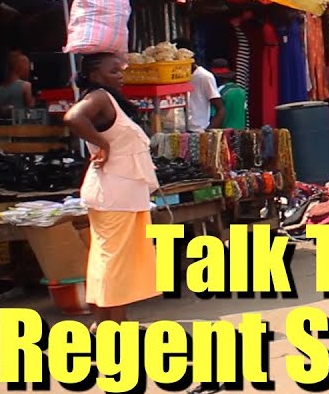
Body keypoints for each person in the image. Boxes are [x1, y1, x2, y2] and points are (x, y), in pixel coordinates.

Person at [62, 53, 160, 330]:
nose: (120, 75)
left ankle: (110, 322)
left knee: (113, 258)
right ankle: (112, 326)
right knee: (113, 260)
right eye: (113, 71)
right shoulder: (100, 97)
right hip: (114, 192)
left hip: (123, 192)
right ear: (95, 75)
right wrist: (102, 145)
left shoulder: (110, 100)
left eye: (120, 70)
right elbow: (73, 117)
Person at [175, 39, 223, 132]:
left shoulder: (204, 76)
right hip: (178, 131)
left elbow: (220, 110)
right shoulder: (175, 77)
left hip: (198, 131)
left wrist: (206, 133)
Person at [0, 50, 36, 118]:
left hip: (3, 123)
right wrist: (33, 101)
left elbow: (0, 110)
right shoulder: (26, 85)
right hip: (21, 123)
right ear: (20, 67)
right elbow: (30, 109)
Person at [209, 58, 247, 130]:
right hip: (241, 132)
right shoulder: (241, 91)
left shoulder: (218, 93)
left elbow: (214, 116)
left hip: (225, 133)